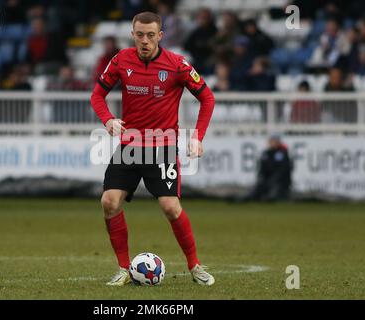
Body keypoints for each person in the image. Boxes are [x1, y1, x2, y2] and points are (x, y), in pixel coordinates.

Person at [90, 12, 216, 286]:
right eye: (139, 35)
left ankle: (195, 266)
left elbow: (207, 97)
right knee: (109, 202)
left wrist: (198, 137)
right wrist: (109, 120)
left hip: (163, 146)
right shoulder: (121, 59)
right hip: (129, 145)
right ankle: (123, 269)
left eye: (150, 35)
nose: (144, 41)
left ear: (160, 36)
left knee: (170, 207)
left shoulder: (177, 65)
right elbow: (97, 95)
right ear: (132, 34)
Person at [241, 135, 293, 202]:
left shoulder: (283, 153)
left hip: (280, 182)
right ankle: (246, 198)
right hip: (267, 180)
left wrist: (274, 179)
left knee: (274, 192)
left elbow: (284, 170)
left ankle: (269, 197)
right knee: (257, 188)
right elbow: (262, 168)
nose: (272, 143)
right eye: (271, 141)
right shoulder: (266, 153)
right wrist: (261, 177)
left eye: (274, 141)